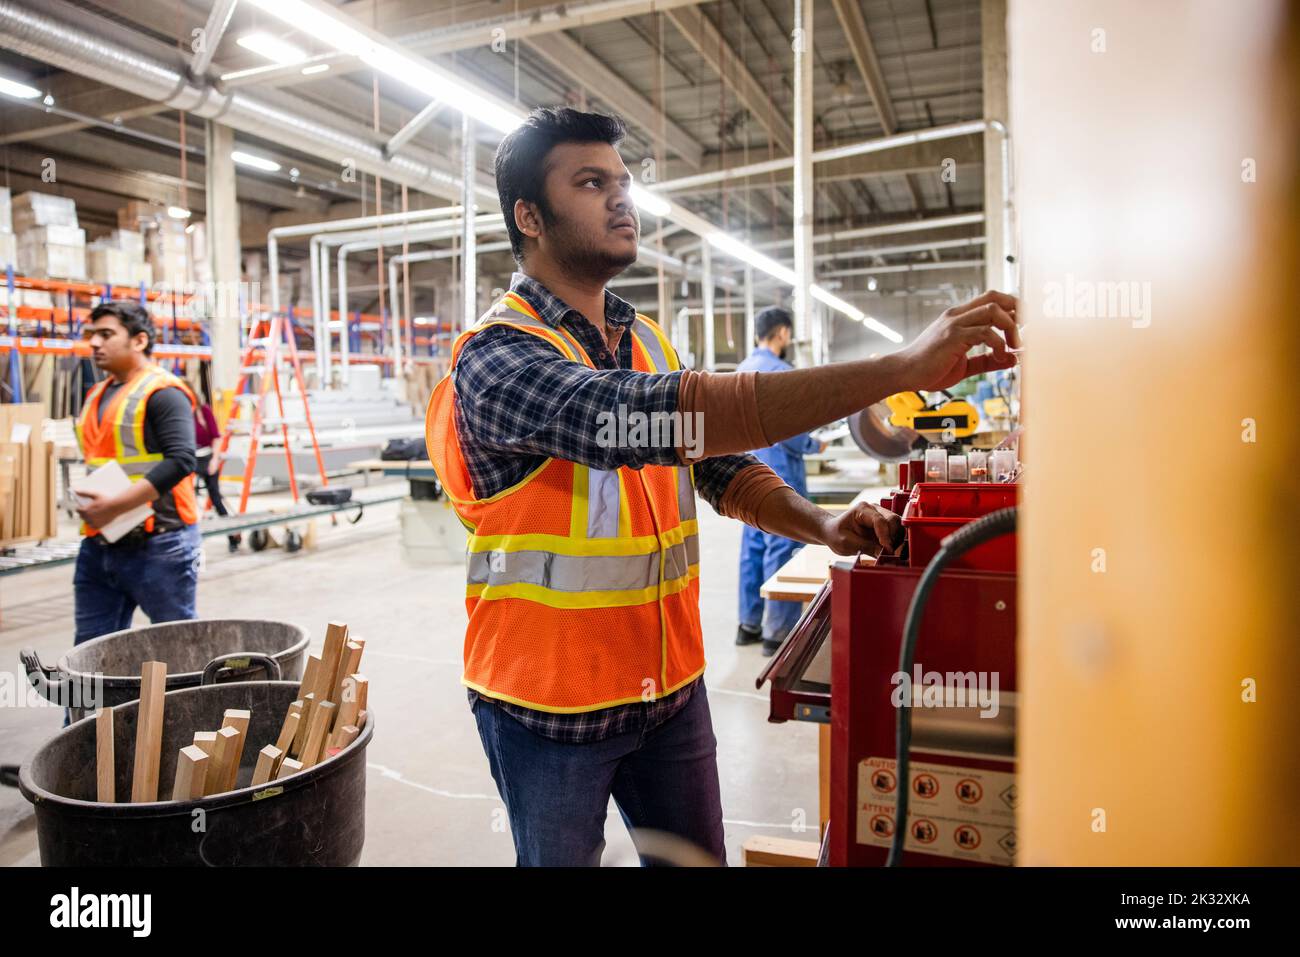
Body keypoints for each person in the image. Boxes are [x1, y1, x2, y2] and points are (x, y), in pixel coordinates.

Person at [425, 107, 1019, 867]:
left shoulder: (642, 339)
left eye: (623, 182)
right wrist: (899, 369)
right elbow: (644, 419)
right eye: (591, 182)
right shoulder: (498, 359)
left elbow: (716, 465)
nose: (620, 199)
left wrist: (823, 524)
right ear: (529, 217)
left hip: (668, 687)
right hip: (548, 707)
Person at [72, 301, 202, 645]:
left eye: (106, 334)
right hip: (101, 542)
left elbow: (182, 460)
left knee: (178, 649)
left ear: (139, 340)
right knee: (90, 654)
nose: (95, 343)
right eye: (91, 335)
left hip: (160, 543)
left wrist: (114, 506)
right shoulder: (96, 394)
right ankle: (95, 703)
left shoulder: (163, 393)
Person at [735, 306, 826, 656]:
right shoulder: (781, 373)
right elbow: (792, 432)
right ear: (783, 333)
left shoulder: (741, 370)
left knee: (753, 548)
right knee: (783, 548)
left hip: (743, 476)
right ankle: (778, 632)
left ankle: (749, 624)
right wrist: (814, 443)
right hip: (779, 475)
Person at [193, 368, 241, 552]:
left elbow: (216, 437)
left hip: (207, 458)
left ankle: (232, 537)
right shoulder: (181, 415)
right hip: (190, 459)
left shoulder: (204, 412)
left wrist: (214, 460)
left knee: (215, 498)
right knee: (186, 500)